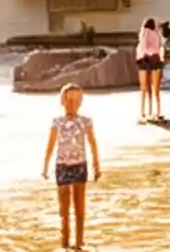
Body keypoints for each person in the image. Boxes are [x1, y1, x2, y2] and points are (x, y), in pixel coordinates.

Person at [42, 83, 102, 251]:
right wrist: (45, 166)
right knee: (64, 209)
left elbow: (92, 144)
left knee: (79, 207)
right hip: (62, 166)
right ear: (62, 101)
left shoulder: (85, 121)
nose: (71, 104)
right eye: (68, 100)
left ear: (81, 102)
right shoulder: (57, 122)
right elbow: (50, 145)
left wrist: (96, 165)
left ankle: (79, 242)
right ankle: (65, 243)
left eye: (75, 100)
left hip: (80, 166)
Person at [135, 18, 164, 123]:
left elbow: (143, 47)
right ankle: (157, 111)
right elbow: (160, 47)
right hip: (156, 60)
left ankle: (143, 112)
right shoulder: (157, 34)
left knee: (144, 88)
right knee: (156, 89)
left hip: (144, 60)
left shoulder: (144, 32)